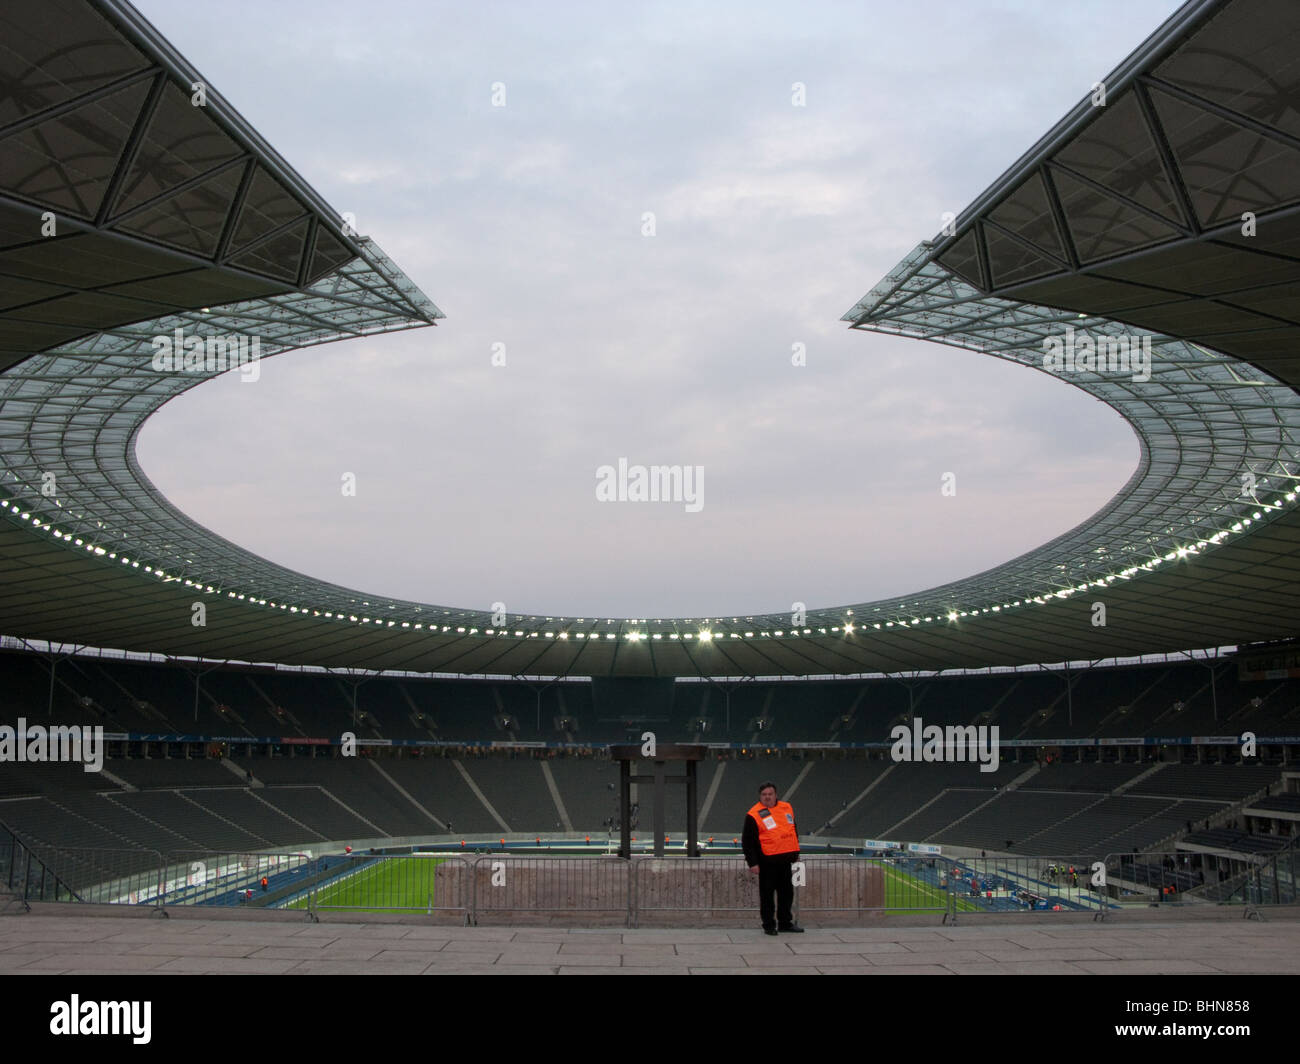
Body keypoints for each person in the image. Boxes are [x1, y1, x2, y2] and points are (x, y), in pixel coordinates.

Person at [742, 782, 803, 935]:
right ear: (760, 796)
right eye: (764, 795)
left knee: (787, 894)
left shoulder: (787, 807)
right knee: (767, 896)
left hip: (786, 860)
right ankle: (769, 925)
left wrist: (796, 854)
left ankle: (785, 923)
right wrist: (753, 863)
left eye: (770, 794)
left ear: (776, 795)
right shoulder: (753, 814)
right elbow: (747, 841)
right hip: (767, 862)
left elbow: (793, 830)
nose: (767, 797)